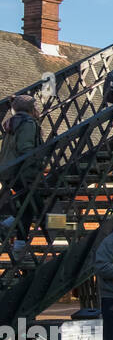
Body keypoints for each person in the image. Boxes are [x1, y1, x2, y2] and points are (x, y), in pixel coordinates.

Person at [0, 95, 42, 258]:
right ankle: (18, 242)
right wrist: (37, 159)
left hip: (9, 170)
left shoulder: (12, 122)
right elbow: (25, 148)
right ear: (31, 108)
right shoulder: (28, 123)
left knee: (27, 204)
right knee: (31, 205)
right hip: (23, 171)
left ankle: (11, 228)